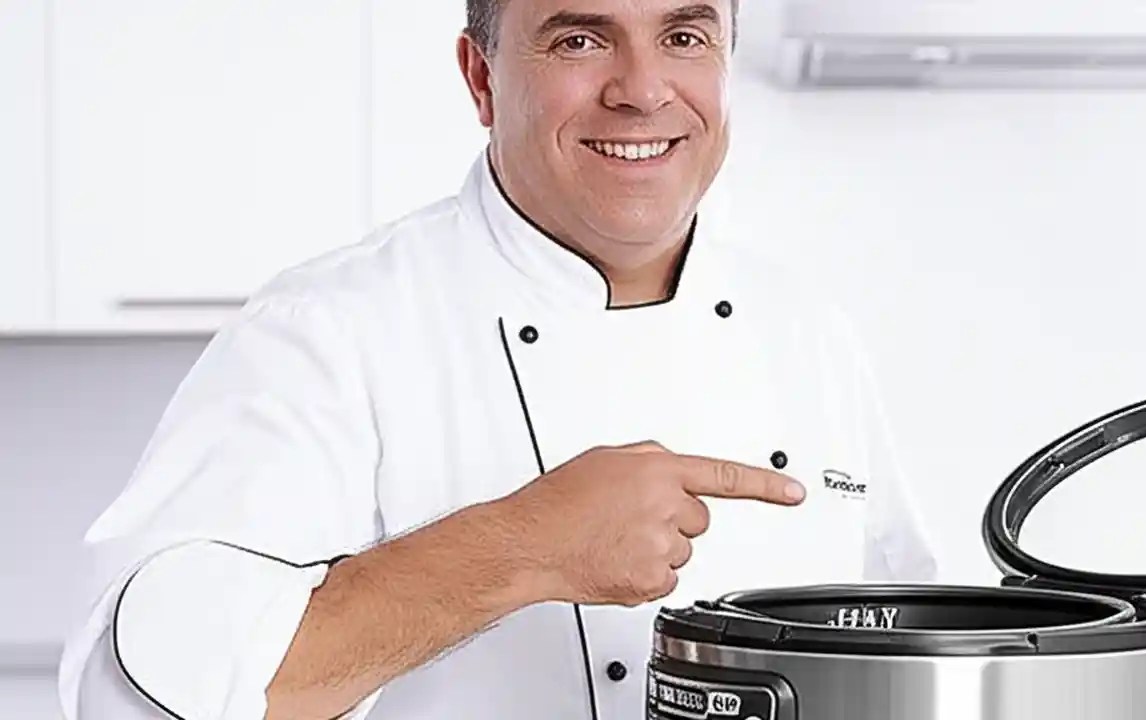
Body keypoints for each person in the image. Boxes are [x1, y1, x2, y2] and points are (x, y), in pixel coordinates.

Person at [58, 0, 938, 718]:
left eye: (683, 36)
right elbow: (131, 696)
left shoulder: (809, 331)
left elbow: (911, 652)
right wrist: (523, 545)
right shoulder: (326, 332)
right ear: (481, 78)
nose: (642, 90)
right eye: (580, 39)